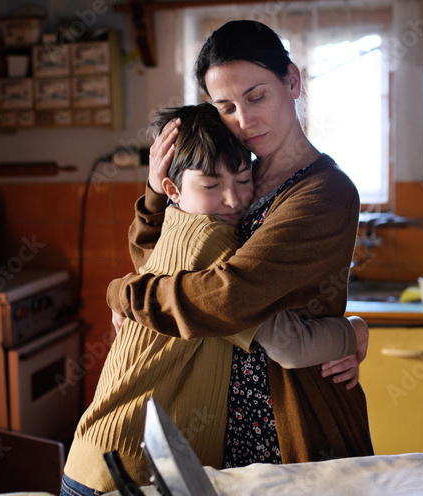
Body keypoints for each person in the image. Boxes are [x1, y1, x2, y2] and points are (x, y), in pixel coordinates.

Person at [61, 103, 369, 496]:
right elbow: (290, 346)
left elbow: (146, 259)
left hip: (100, 456)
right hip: (129, 476)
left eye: (243, 180)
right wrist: (355, 331)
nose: (232, 199)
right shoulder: (217, 246)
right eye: (210, 186)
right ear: (174, 189)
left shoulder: (174, 223)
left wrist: (151, 199)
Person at [107, 20, 375, 469]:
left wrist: (124, 294)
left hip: (292, 422)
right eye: (226, 106)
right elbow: (169, 264)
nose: (245, 121)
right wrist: (157, 193)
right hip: (213, 416)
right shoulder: (236, 170)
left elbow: (230, 297)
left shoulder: (324, 192)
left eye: (257, 96)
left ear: (292, 81)